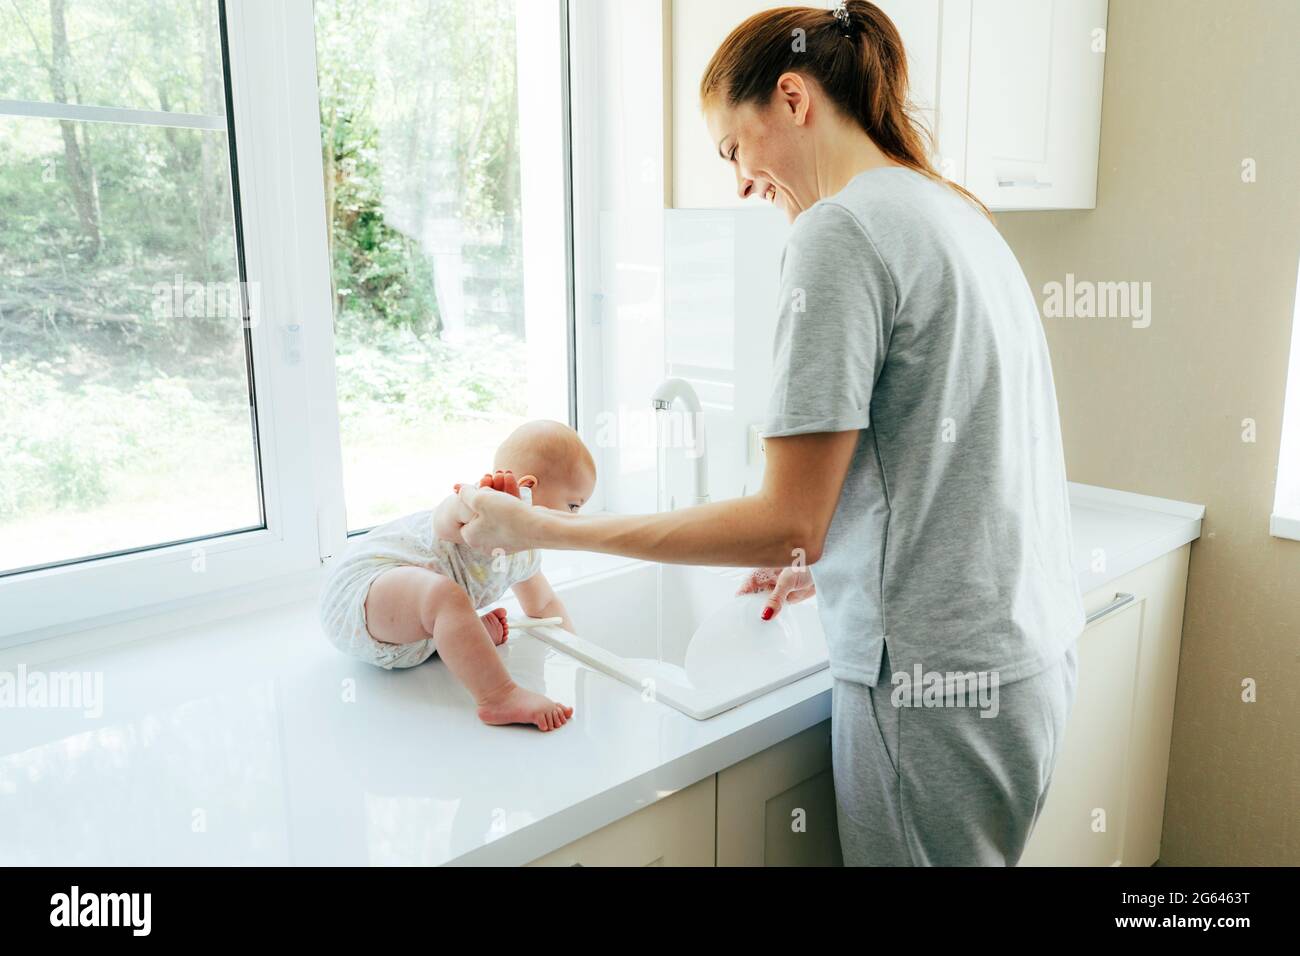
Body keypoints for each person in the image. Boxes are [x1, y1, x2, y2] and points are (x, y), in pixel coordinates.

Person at [453, 1, 1084, 863]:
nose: (741, 181)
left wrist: (543, 528)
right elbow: (934, 461)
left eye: (732, 148)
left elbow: (791, 519)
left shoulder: (841, 229)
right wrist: (834, 560)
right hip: (1025, 658)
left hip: (930, 679)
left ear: (791, 98)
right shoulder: (952, 212)